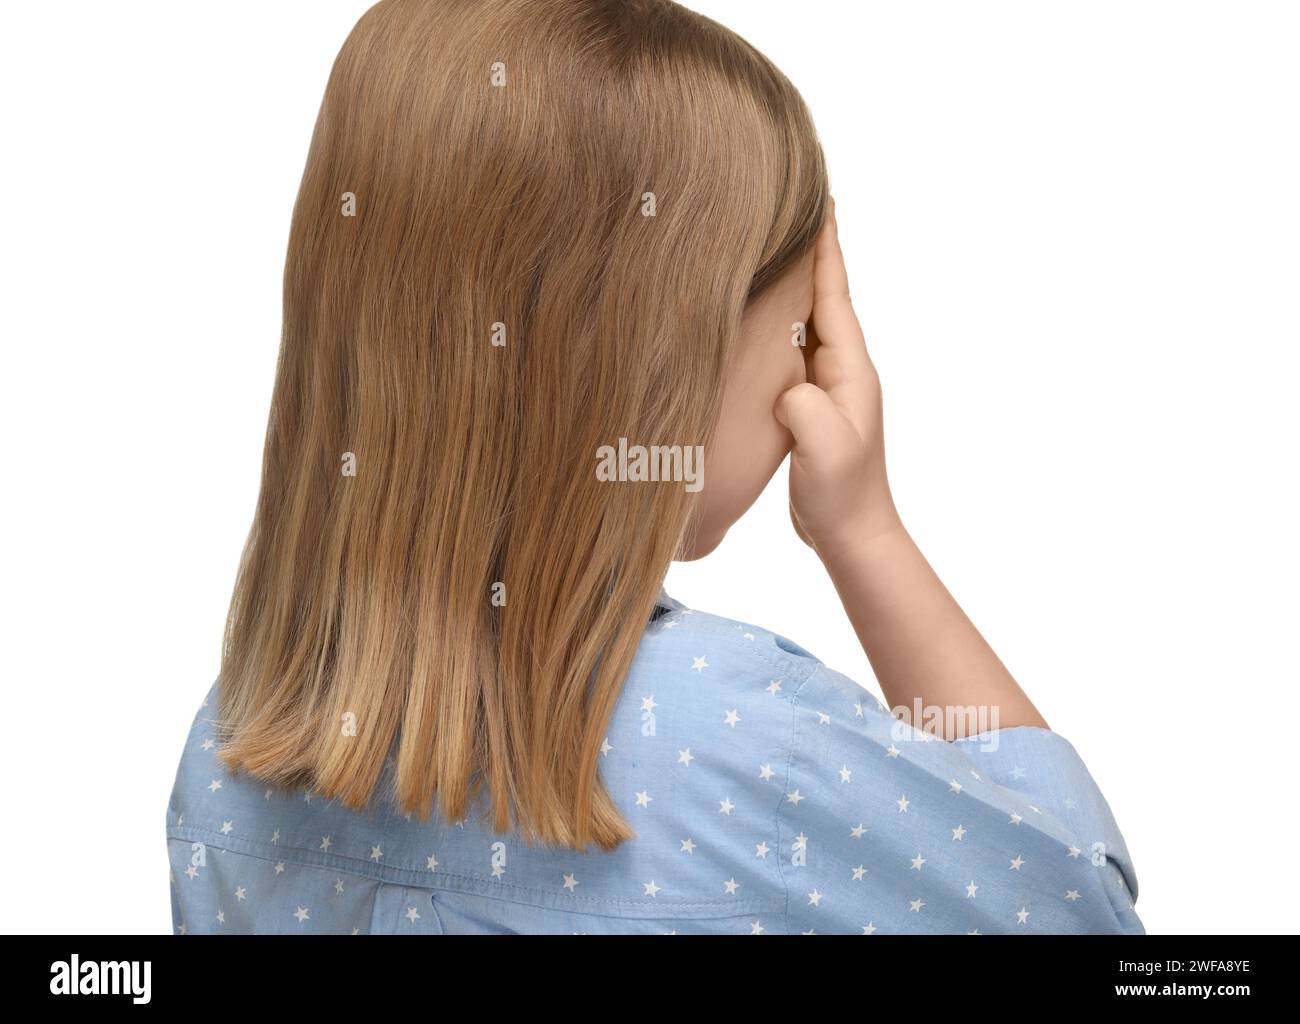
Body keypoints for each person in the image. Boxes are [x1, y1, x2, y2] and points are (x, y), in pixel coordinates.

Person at [167, 0, 1143, 935]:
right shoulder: (748, 744)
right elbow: (1078, 911)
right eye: (802, 324)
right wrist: (864, 533)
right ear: (669, 365)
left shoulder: (235, 744)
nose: (812, 360)